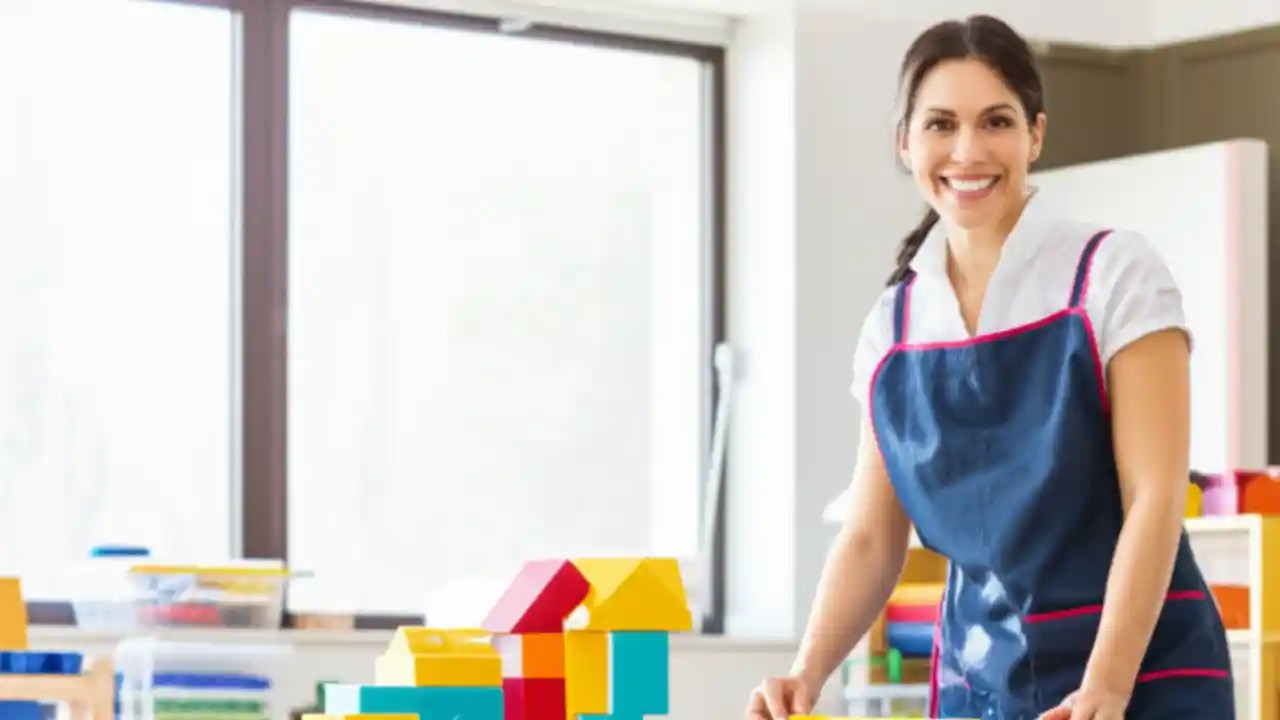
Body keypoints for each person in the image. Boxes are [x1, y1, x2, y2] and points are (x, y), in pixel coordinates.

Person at [745, 14, 1234, 720]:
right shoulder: (893, 328)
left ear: (1035, 134)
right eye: (941, 124)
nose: (968, 150)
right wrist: (806, 673)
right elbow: (870, 535)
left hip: (1145, 677)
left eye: (996, 122)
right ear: (904, 143)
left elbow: (1154, 499)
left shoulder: (1113, 274)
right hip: (984, 686)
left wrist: (1107, 687)